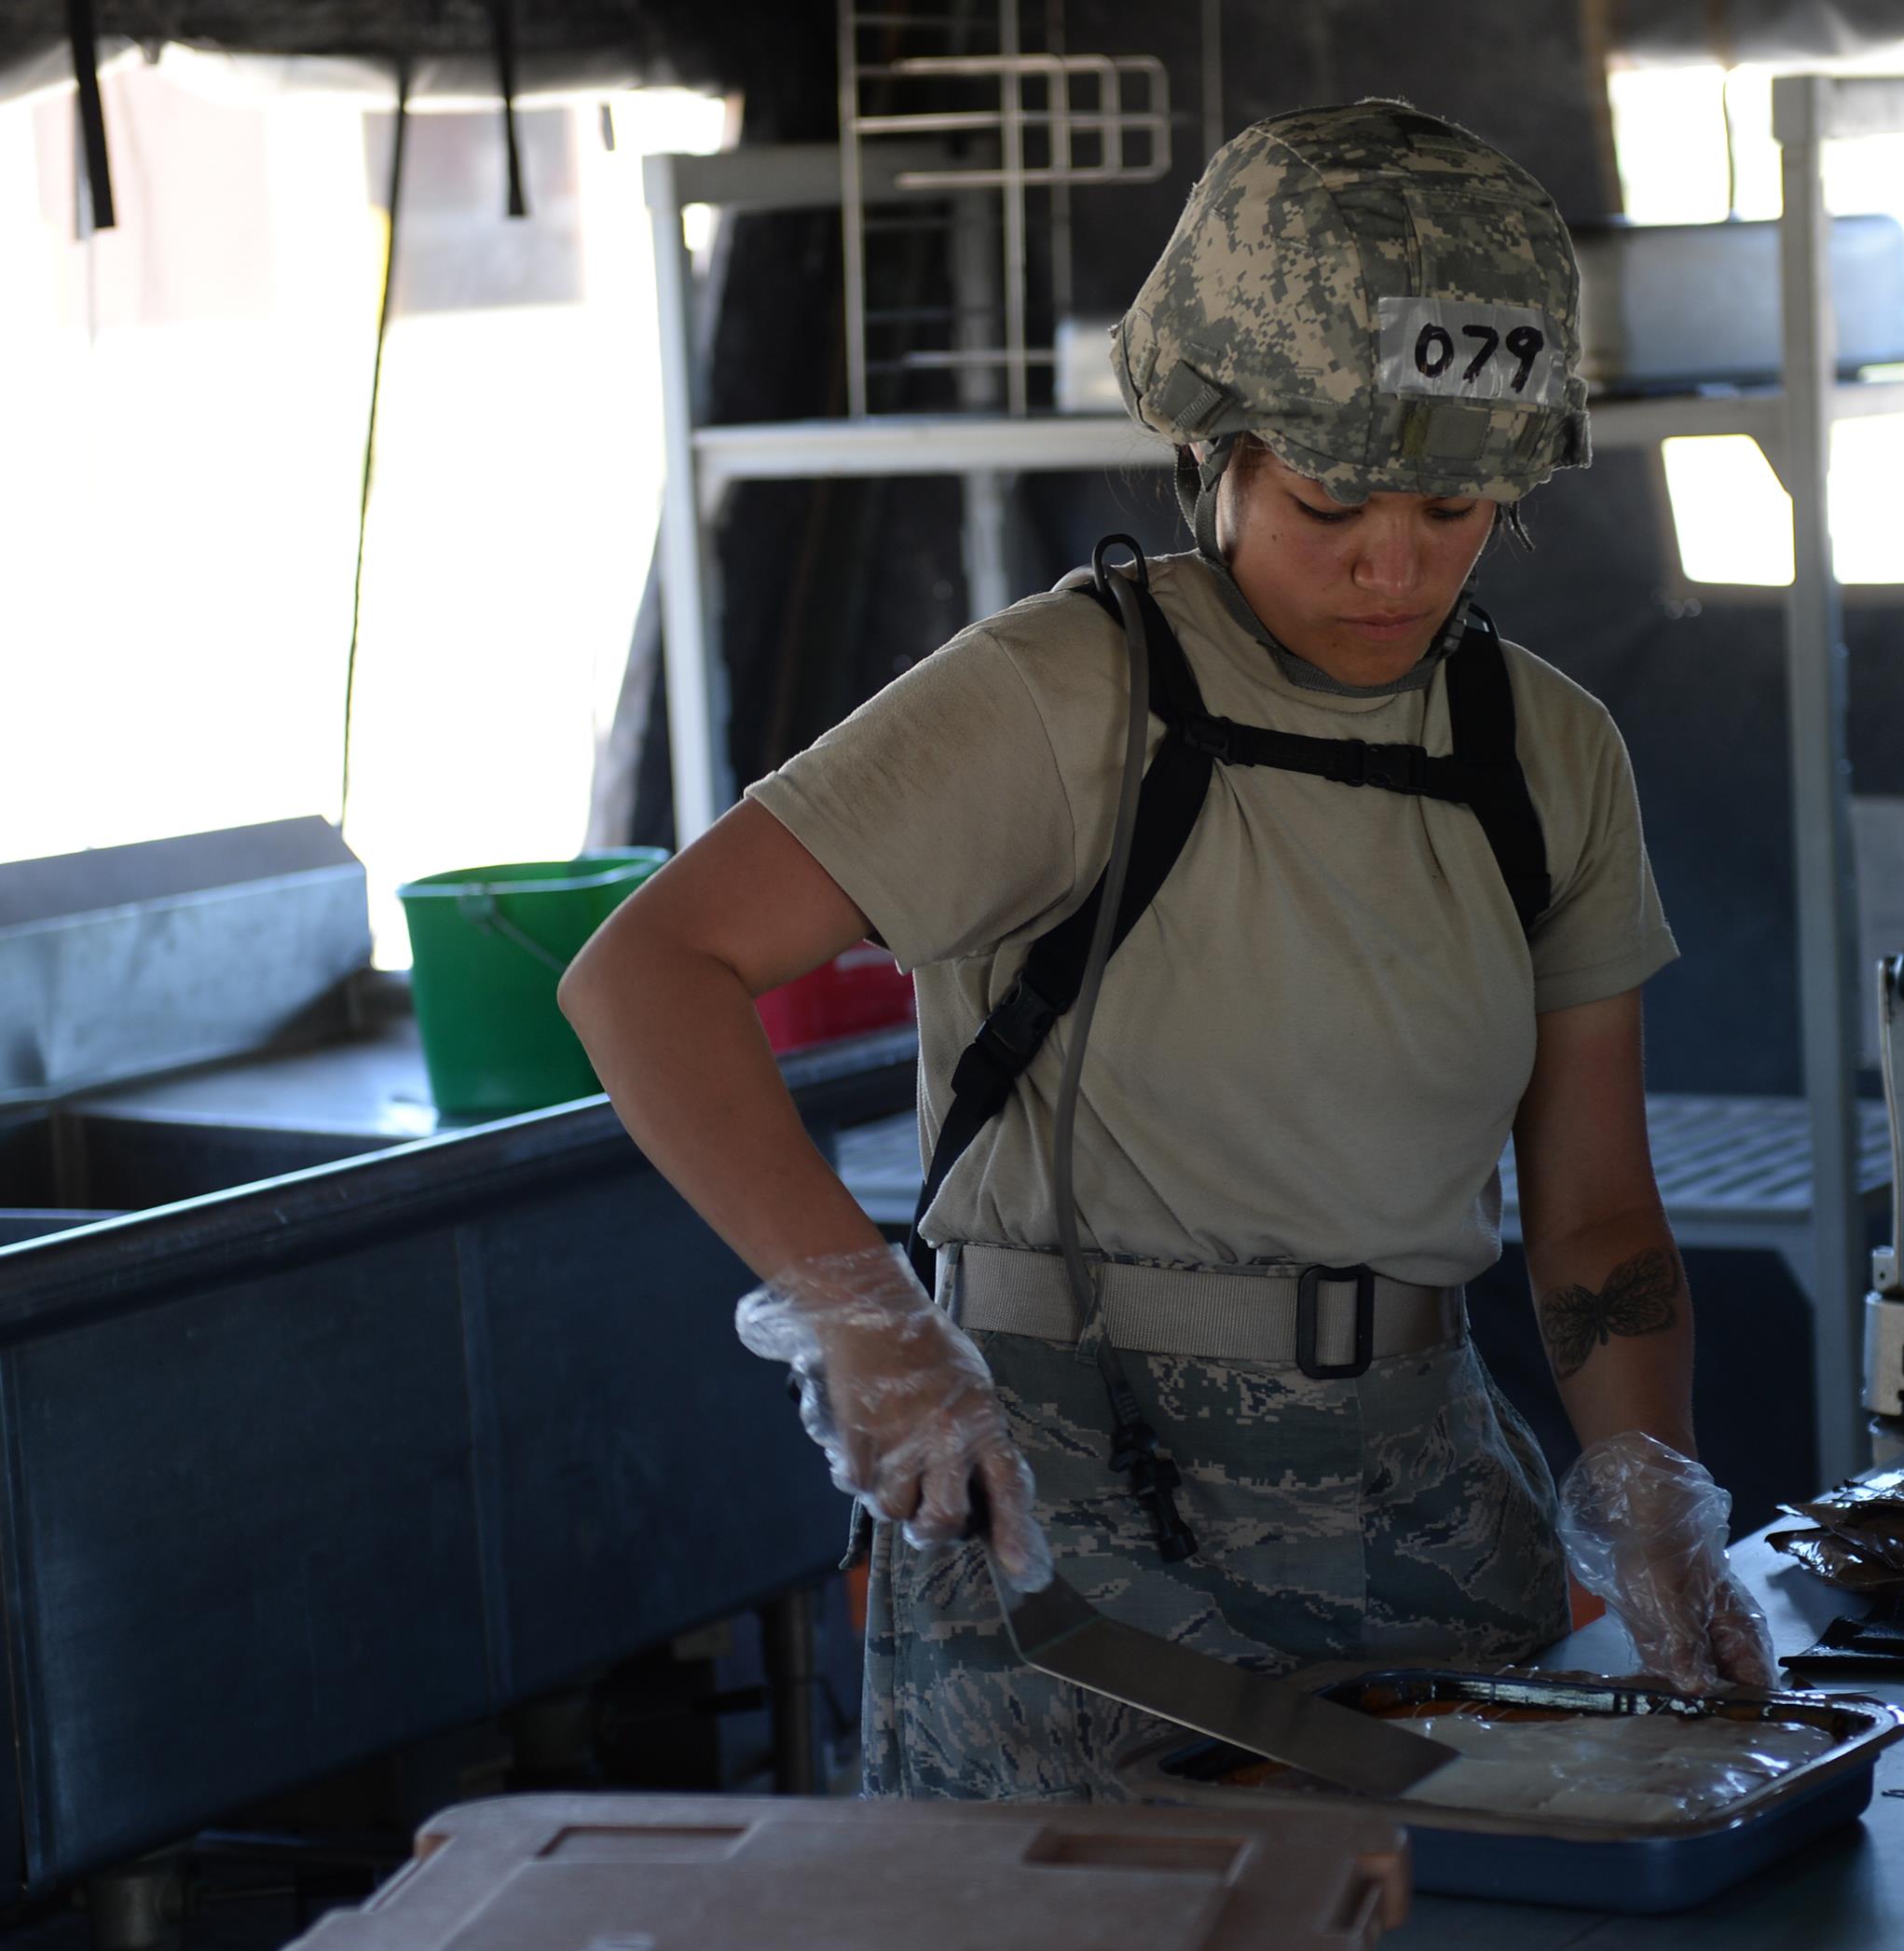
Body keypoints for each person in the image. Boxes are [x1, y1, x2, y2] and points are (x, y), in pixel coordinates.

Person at [561, 100, 1774, 1805]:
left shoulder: (1547, 752)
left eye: (1456, 503)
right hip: (1073, 1495)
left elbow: (1588, 1218)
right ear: (1213, 445)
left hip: (1416, 1481)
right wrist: (867, 1320)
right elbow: (643, 973)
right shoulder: (1067, 695)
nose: (1393, 561)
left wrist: (1649, 1486)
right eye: (1335, 495)